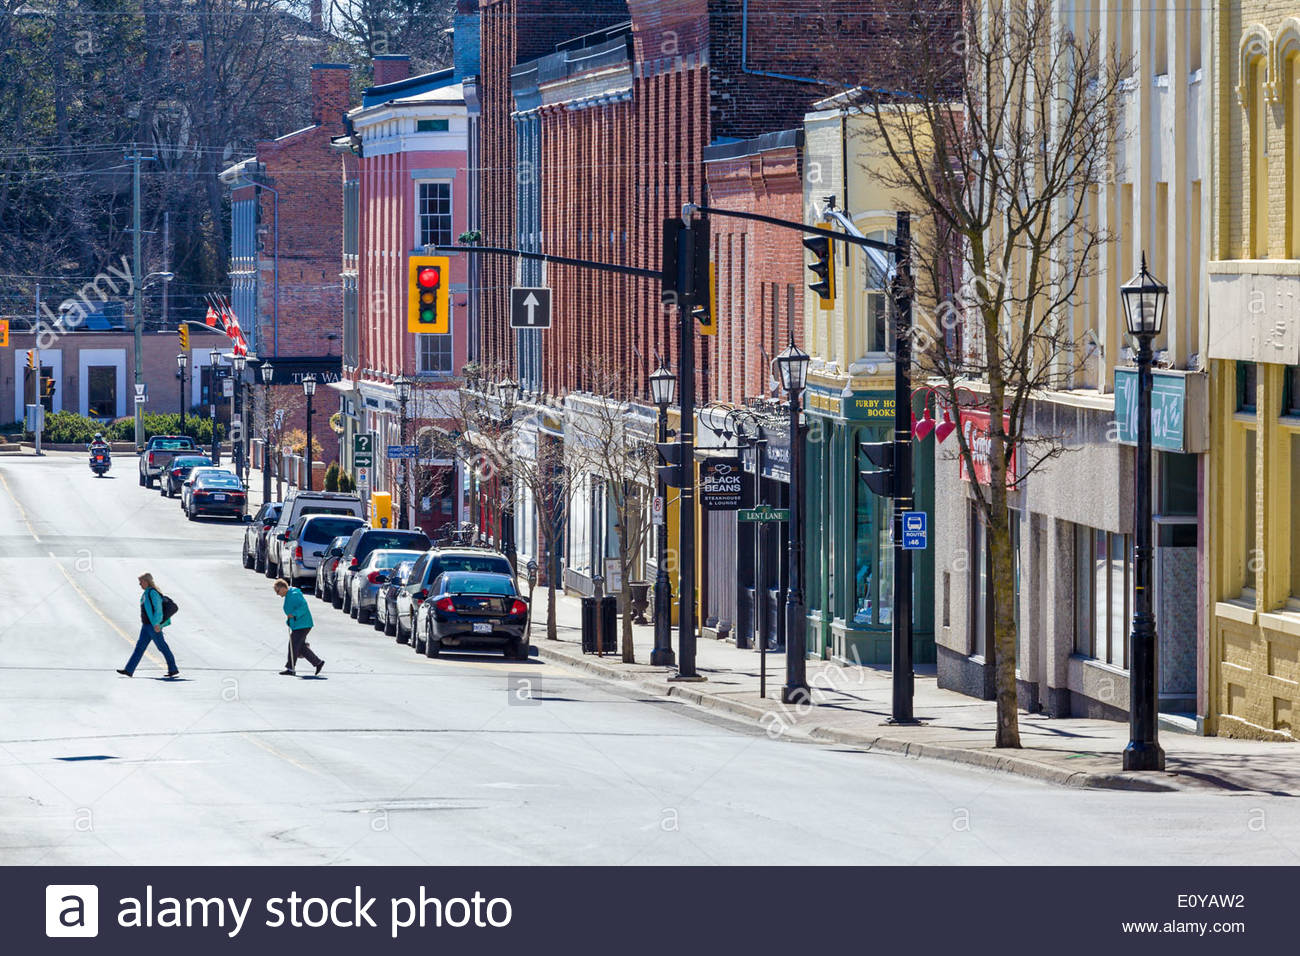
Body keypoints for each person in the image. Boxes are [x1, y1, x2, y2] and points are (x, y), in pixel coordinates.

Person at [118, 573, 179, 678]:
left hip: (153, 626)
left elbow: (158, 610)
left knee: (162, 647)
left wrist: (157, 624)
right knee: (139, 648)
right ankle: (129, 670)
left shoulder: (152, 593)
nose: (140, 584)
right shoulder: (146, 593)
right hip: (146, 626)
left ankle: (173, 669)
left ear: (146, 582)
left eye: (141, 582)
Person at [275, 578, 323, 676]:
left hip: (303, 624)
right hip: (299, 625)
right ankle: (318, 662)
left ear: (283, 588)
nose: (277, 594)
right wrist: (290, 620)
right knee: (299, 646)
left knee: (293, 645)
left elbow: (303, 606)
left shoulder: (294, 594)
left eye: (277, 591)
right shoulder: (289, 595)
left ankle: (290, 668)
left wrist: (294, 614)